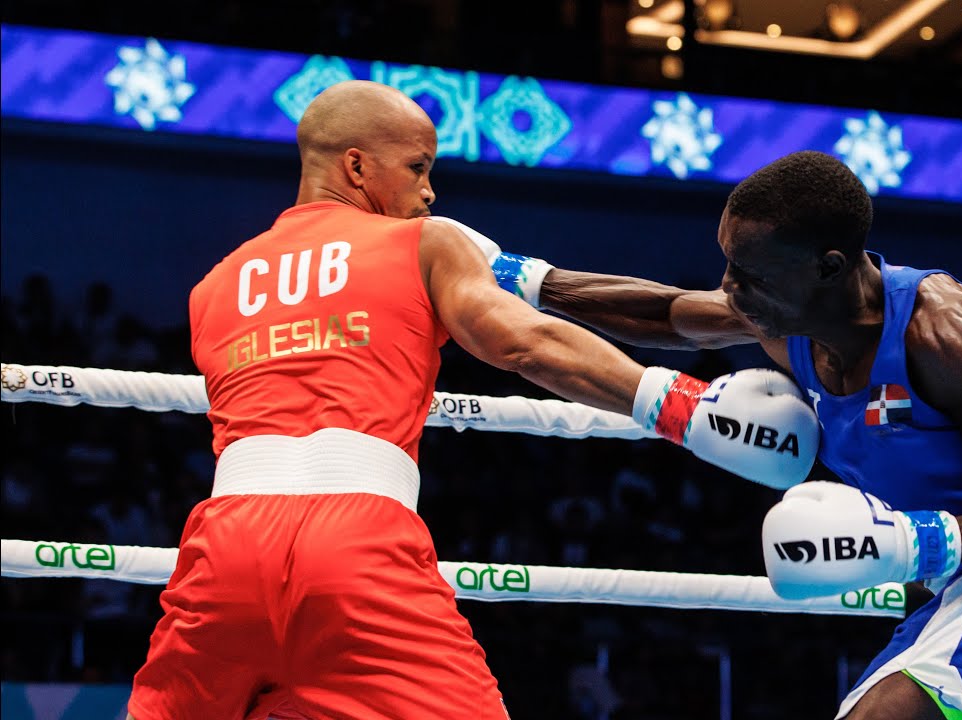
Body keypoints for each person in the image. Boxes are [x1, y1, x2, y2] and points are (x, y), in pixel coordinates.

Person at [125, 81, 819, 720]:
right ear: (358, 168)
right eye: (420, 168)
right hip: (355, 548)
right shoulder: (422, 242)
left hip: (222, 547)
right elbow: (522, 343)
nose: (430, 192)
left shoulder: (212, 288)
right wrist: (684, 408)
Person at [485, 151, 962, 720]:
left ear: (829, 266)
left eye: (751, 274)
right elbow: (665, 313)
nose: (732, 289)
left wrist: (911, 542)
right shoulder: (782, 317)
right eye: (729, 265)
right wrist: (517, 276)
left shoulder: (947, 334)